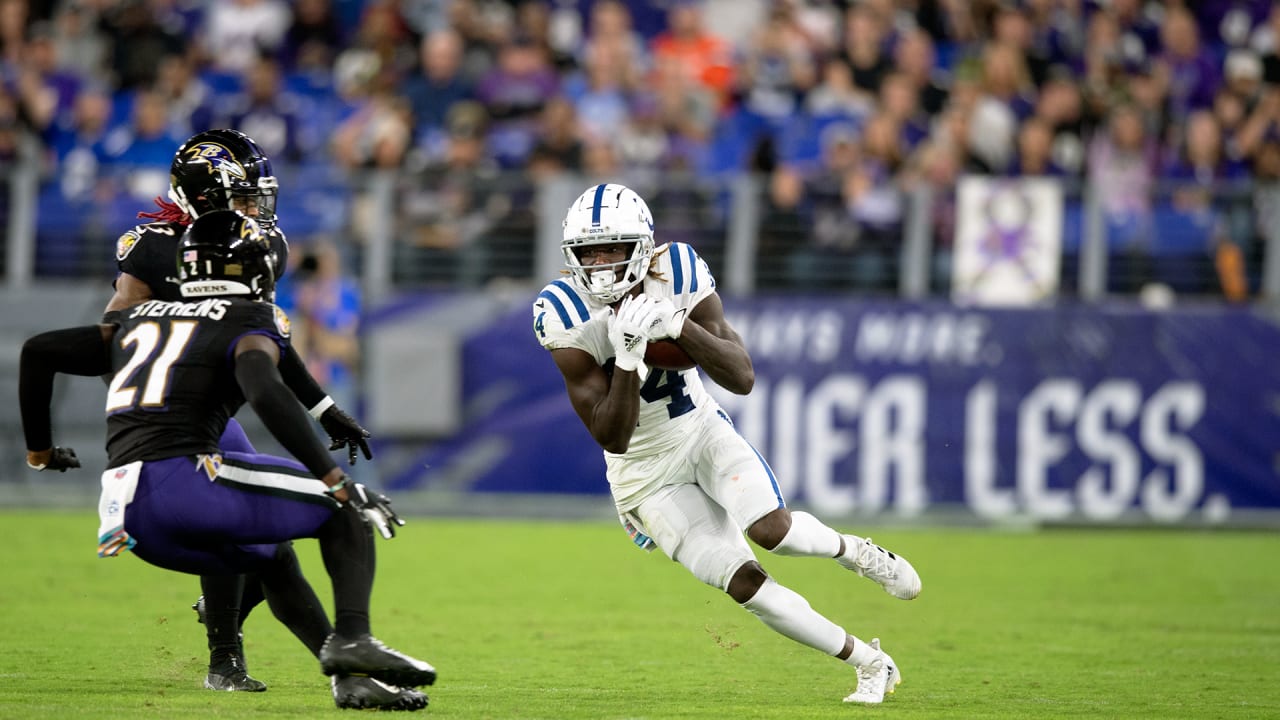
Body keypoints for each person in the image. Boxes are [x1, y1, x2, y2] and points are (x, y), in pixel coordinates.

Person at [19, 210, 437, 704]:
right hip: (183, 481)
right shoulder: (248, 316)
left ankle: (349, 680)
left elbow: (38, 351)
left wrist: (41, 453)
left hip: (126, 514)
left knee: (274, 558)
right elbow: (264, 388)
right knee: (345, 508)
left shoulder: (136, 317)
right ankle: (354, 638)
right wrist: (333, 477)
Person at [532, 184, 922, 704]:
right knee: (744, 585)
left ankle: (855, 552)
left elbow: (740, 376)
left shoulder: (678, 272)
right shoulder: (561, 311)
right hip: (644, 474)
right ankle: (868, 662)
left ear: (643, 248)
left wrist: (678, 325)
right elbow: (613, 436)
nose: (600, 264)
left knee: (772, 531)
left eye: (613, 249)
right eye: (589, 252)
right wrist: (627, 359)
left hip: (700, 430)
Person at [104, 129, 424, 711]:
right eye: (245, 195)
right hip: (173, 414)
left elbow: (264, 336)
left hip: (219, 400)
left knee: (265, 540)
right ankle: (238, 652)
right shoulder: (150, 246)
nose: (257, 208)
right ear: (208, 194)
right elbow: (112, 333)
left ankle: (319, 667)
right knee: (269, 522)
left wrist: (324, 407)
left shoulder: (258, 243)